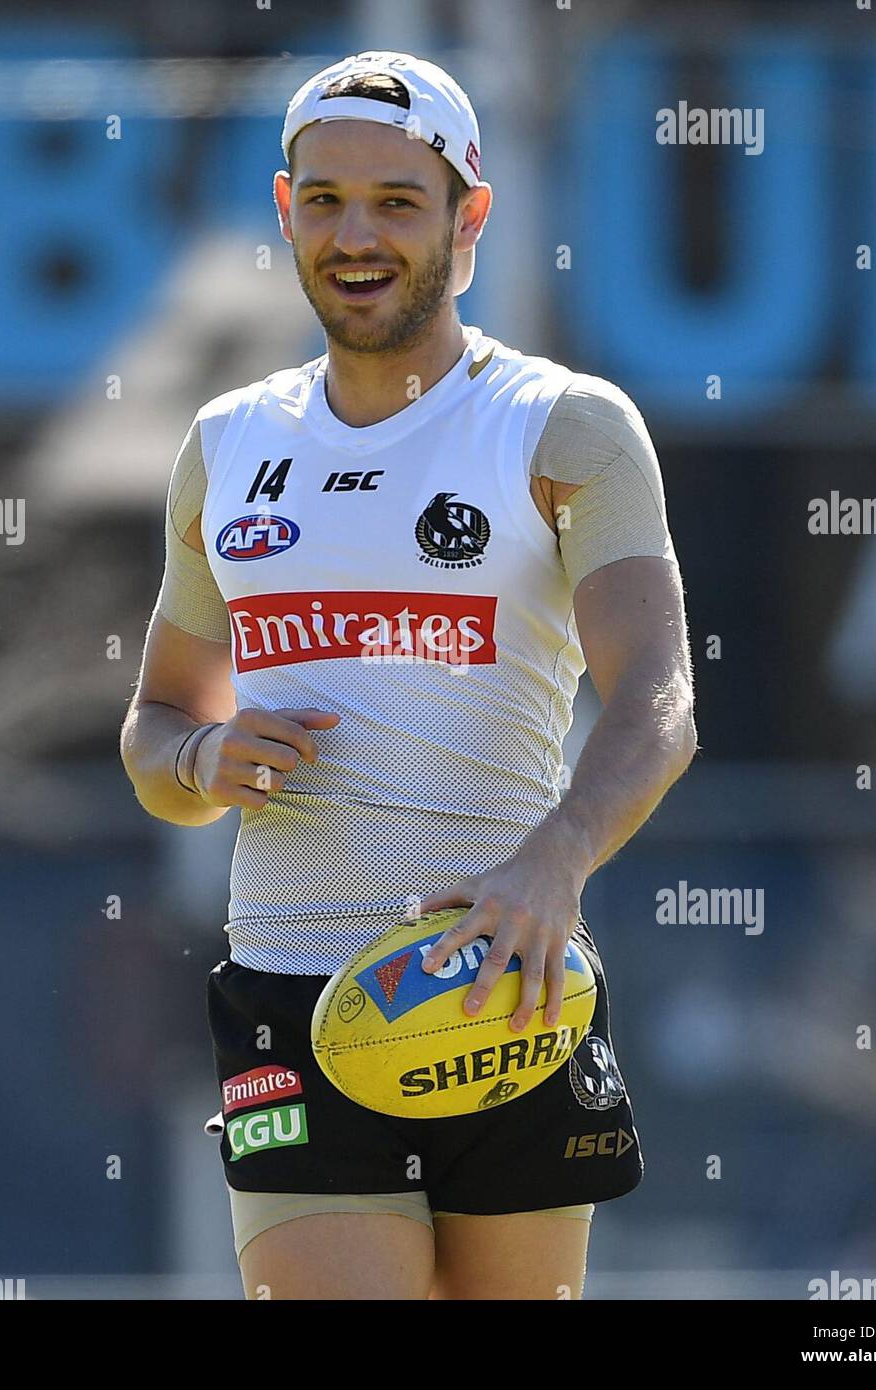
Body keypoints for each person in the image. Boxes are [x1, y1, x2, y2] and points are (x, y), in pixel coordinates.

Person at [120, 50, 696, 1300]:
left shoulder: (564, 427)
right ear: (284, 213)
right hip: (289, 988)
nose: (355, 234)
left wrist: (557, 856)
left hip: (506, 985)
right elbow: (156, 731)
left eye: (396, 199)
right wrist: (202, 758)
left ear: (469, 218)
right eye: (322, 199)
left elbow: (660, 697)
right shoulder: (225, 448)